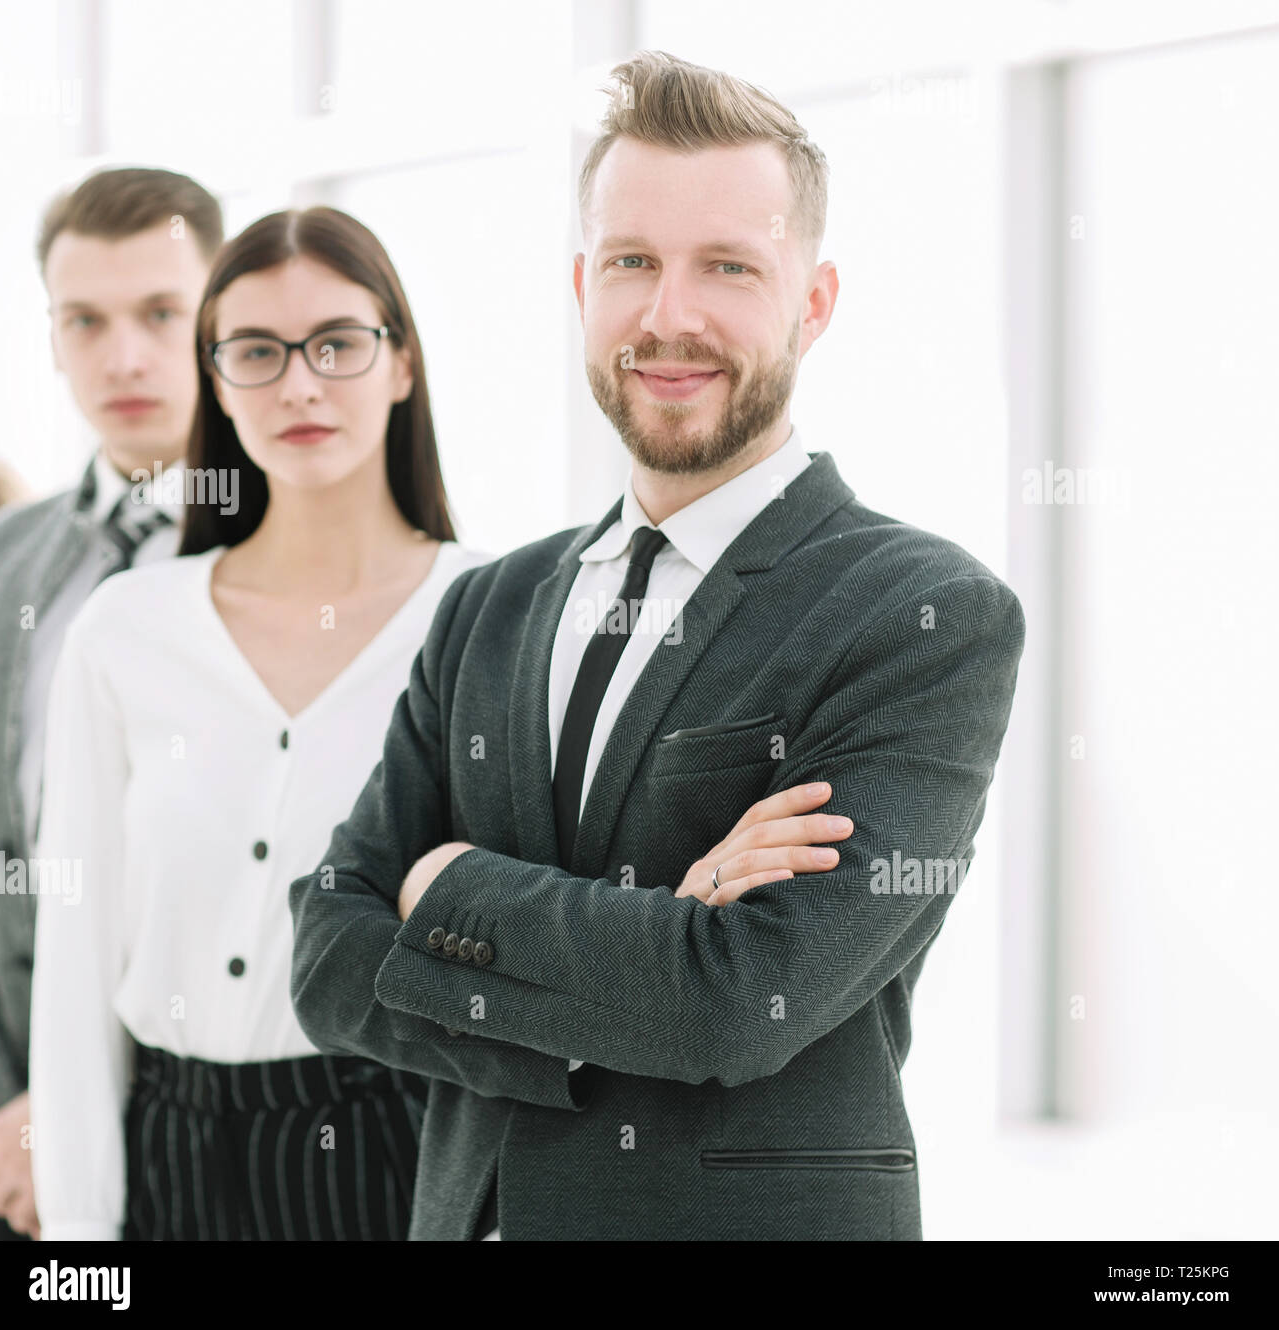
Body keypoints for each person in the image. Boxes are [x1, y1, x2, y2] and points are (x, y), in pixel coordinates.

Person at [289, 50, 1025, 1241]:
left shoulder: (922, 614)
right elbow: (328, 958)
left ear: (813, 303)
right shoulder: (488, 605)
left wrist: (445, 887)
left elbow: (737, 999)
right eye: (632, 261)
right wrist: (645, 958)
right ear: (583, 284)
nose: (668, 315)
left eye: (728, 266)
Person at [28, 206, 495, 1240]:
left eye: (336, 343)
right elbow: (74, 965)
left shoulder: (493, 616)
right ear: (217, 377)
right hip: (170, 1154)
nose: (298, 384)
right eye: (255, 351)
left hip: (396, 1148)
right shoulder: (125, 630)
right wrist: (77, 1241)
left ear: (401, 362)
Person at [0, 167, 222, 1242]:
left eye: (161, 314)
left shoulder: (291, 554)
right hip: (7, 1151)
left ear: (220, 323)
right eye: (85, 320)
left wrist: (81, 1107)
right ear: (50, 337)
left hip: (224, 1129)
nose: (122, 356)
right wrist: (9, 1107)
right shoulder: (1, 562)